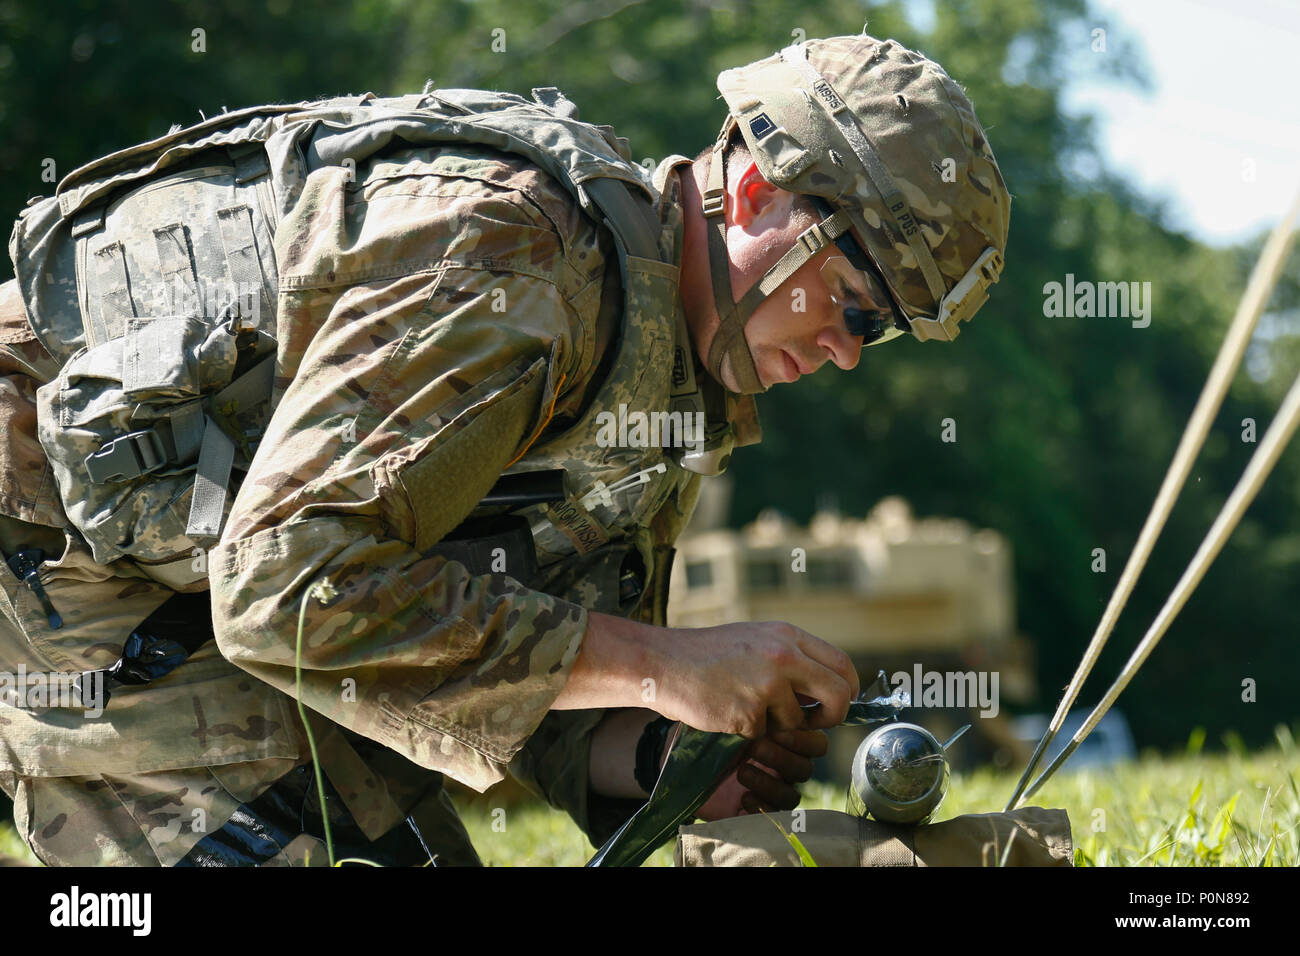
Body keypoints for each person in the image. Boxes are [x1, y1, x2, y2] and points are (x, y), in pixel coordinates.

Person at [0, 31, 1008, 865]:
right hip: (53, 556)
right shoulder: (513, 255)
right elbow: (288, 588)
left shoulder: (666, 381)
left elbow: (531, 658)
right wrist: (662, 664)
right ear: (754, 196)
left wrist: (667, 751)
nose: (842, 353)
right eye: (855, 304)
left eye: (876, 334)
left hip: (188, 584)